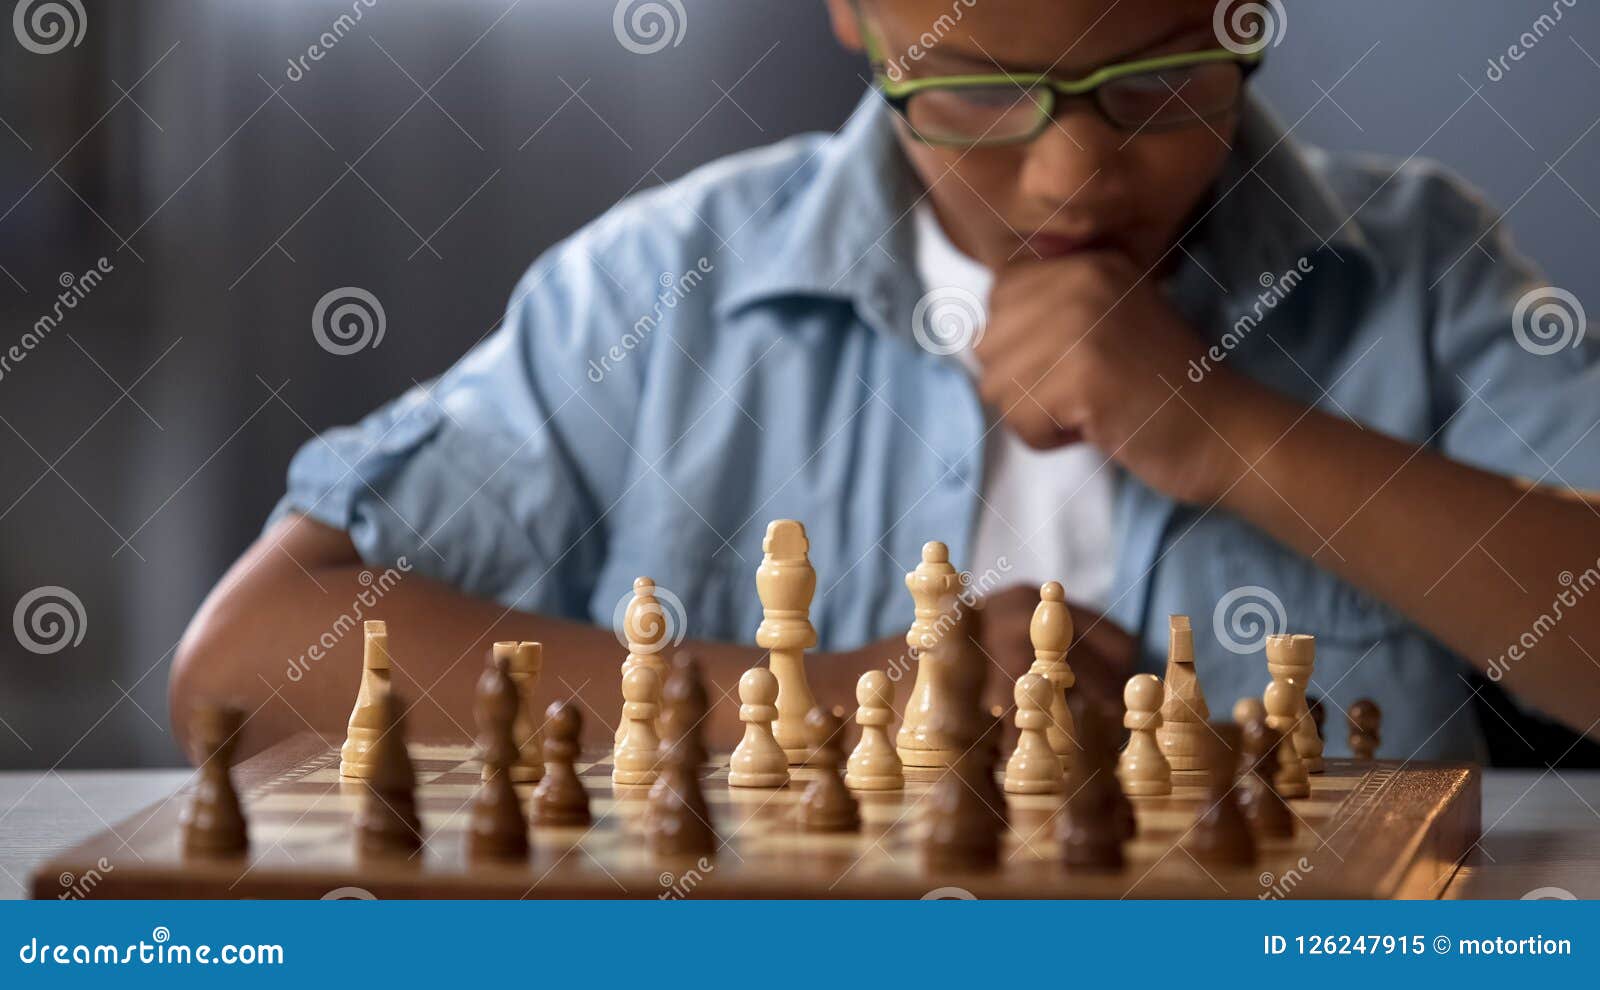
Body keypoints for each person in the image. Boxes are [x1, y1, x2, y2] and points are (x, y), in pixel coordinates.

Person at [170, 0, 1600, 761]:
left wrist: (1230, 432)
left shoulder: (1418, 273)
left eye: (1159, 81)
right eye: (974, 90)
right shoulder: (653, 294)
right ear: (853, 16)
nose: (1070, 176)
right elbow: (245, 663)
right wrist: (836, 699)